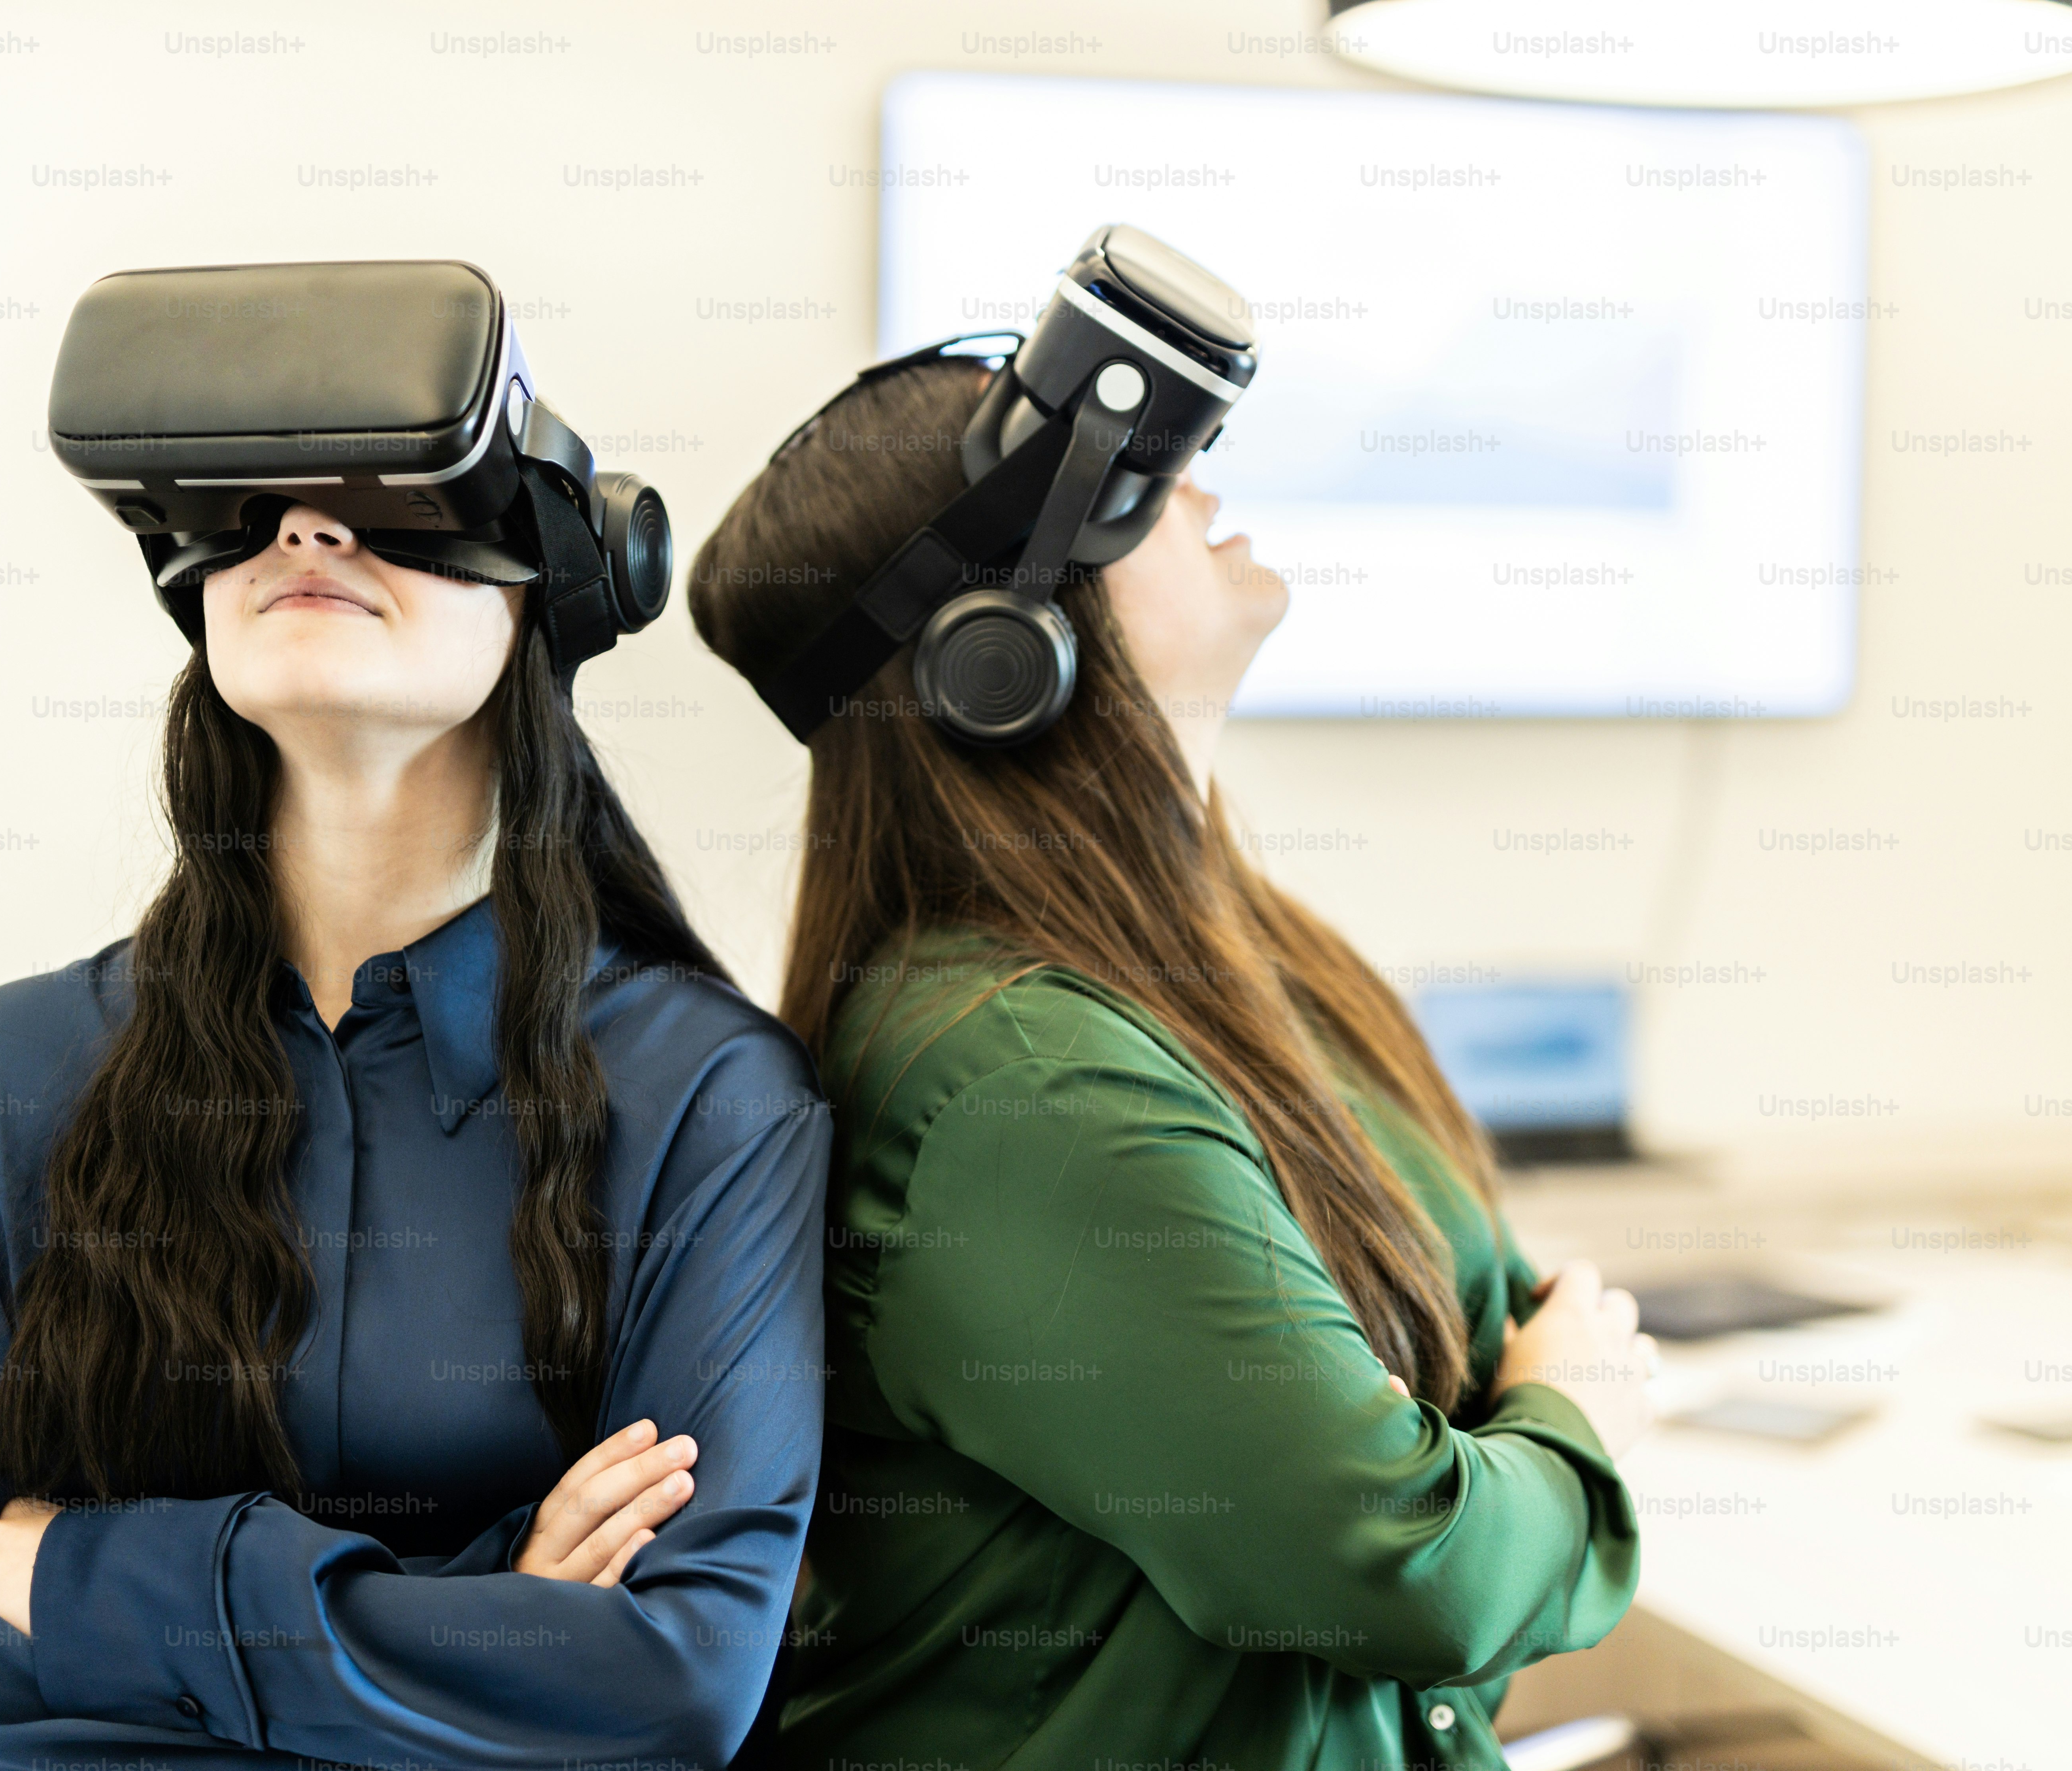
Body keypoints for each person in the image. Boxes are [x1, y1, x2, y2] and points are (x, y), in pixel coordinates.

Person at [688, 355, 1656, 1771]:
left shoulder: (1261, 957)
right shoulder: (1021, 1087)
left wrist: (1507, 1431)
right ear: (996, 649)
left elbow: (1473, 1345)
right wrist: (1580, 1420)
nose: (1198, 484)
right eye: (1130, 487)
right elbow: (1402, 1564)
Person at [0, 498, 829, 1769]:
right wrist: (487, 1604)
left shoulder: (713, 1100)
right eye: (249, 487)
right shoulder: (2, 1081)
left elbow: (675, 1687)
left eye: (398, 491)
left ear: (551, 582)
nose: (305, 525)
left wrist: (100, 1589)